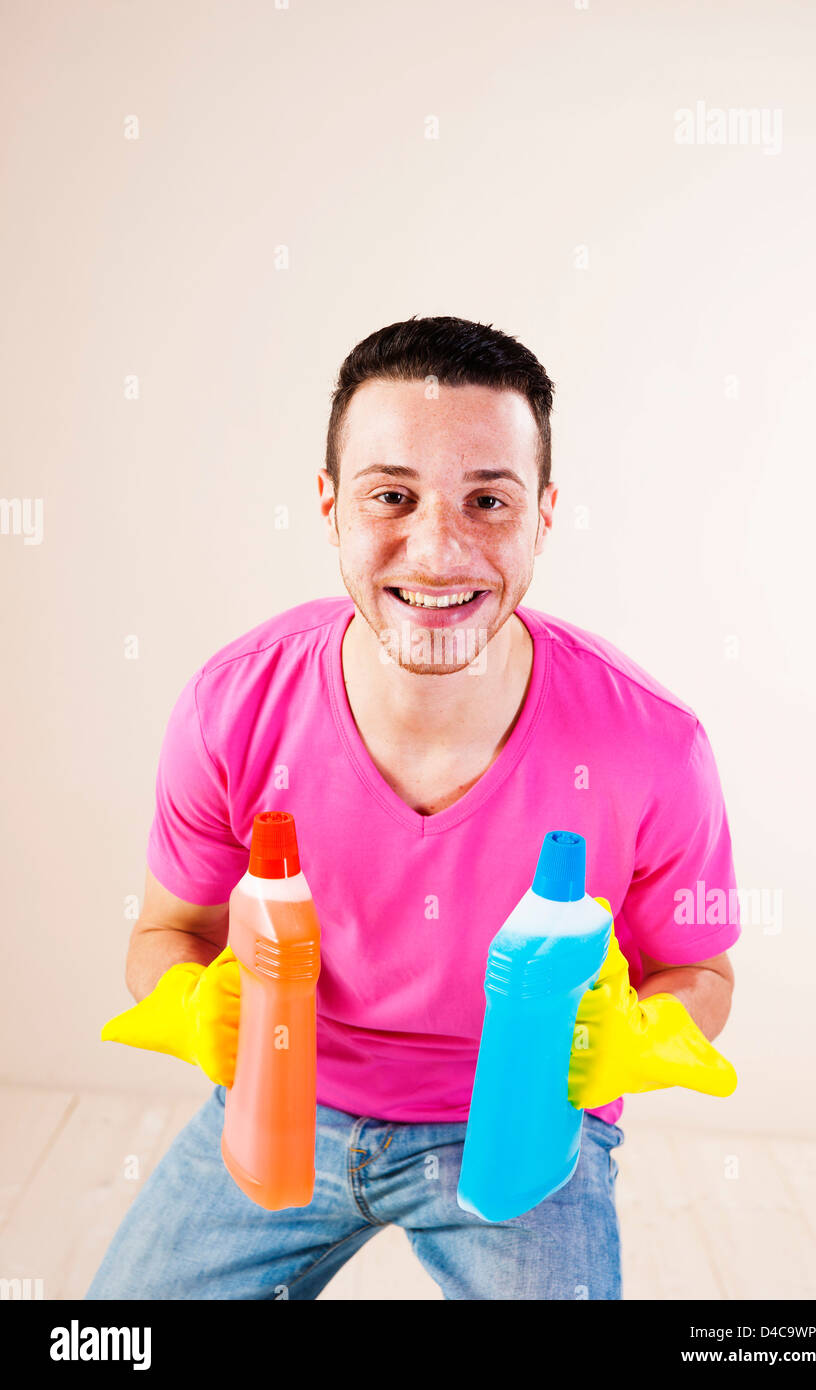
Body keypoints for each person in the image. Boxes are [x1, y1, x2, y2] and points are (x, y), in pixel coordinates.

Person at [89, 316, 739, 1301]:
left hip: (522, 1126)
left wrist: (641, 1033)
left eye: (487, 499)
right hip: (283, 1098)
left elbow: (698, 967)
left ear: (542, 515)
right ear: (329, 507)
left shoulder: (651, 745)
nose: (435, 550)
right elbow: (167, 928)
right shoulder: (233, 707)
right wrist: (190, 1005)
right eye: (391, 494)